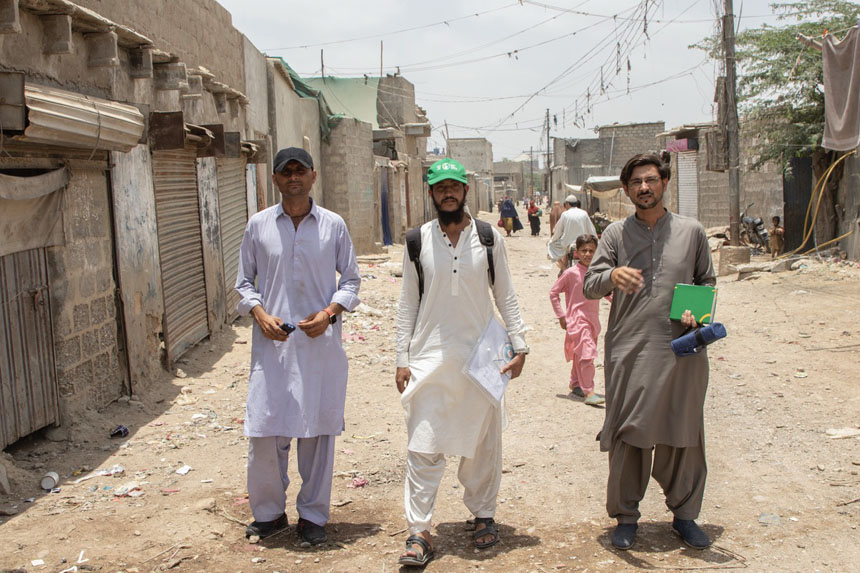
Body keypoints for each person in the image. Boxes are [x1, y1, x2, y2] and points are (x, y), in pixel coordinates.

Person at [395, 157, 529, 568]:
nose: (448, 193)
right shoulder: (417, 240)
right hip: (429, 358)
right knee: (423, 443)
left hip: (481, 358)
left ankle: (483, 514)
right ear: (431, 193)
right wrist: (402, 357)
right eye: (440, 188)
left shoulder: (489, 238)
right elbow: (407, 303)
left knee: (482, 443)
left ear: (465, 191)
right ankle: (419, 531)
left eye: (454, 186)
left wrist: (520, 343)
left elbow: (505, 294)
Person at [583, 153, 715, 551]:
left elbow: (706, 282)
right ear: (626, 190)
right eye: (636, 182)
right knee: (629, 432)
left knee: (684, 429)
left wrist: (699, 314)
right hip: (630, 350)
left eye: (651, 180)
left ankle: (685, 515)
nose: (644, 187)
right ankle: (626, 516)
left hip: (681, 349)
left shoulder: (692, 232)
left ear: (664, 183)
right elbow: (590, 284)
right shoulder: (616, 236)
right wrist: (612, 275)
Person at [235, 147, 361, 545]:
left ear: (313, 176)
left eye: (300, 170)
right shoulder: (258, 226)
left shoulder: (333, 226)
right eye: (285, 171)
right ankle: (270, 516)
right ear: (274, 179)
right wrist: (259, 314)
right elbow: (244, 283)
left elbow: (352, 281)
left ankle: (312, 517)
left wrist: (329, 313)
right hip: (272, 349)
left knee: (317, 432)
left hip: (319, 347)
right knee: (265, 430)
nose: (293, 177)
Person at [549, 235, 607, 407]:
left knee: (579, 353)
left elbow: (607, 292)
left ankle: (576, 384)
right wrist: (561, 315)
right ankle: (589, 392)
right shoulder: (570, 273)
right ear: (577, 253)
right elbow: (553, 293)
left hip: (593, 321)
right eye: (584, 251)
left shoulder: (598, 273)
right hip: (577, 321)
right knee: (587, 354)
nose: (588, 254)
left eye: (591, 251)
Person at [547, 195, 597, 273]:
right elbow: (591, 229)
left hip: (567, 243)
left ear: (567, 204)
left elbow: (558, 231)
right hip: (583, 242)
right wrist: (596, 241)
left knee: (550, 245)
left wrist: (552, 240)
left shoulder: (565, 214)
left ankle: (563, 267)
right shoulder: (584, 213)